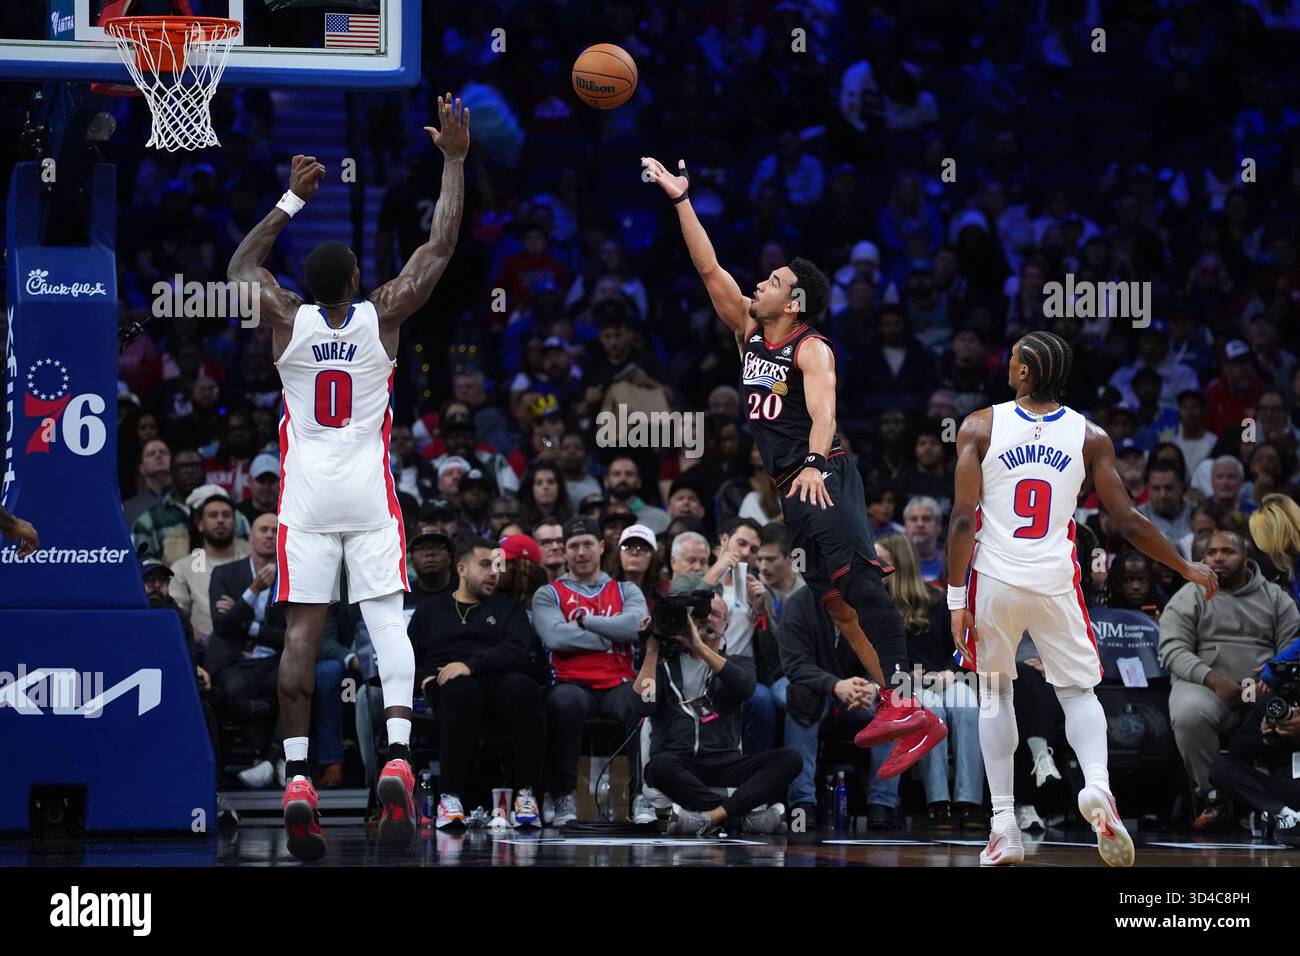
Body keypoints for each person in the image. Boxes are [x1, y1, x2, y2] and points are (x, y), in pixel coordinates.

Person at [644, 153, 945, 780]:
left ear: (796, 299)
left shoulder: (811, 347)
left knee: (862, 582)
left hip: (825, 473)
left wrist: (813, 461)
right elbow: (707, 267)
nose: (759, 284)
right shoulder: (749, 334)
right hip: (794, 486)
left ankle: (908, 701)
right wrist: (680, 199)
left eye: (772, 280)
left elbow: (825, 410)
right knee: (835, 602)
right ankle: (902, 706)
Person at [225, 93, 468, 861]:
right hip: (367, 492)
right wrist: (454, 161)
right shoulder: (384, 314)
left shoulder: (286, 321)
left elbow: (239, 266)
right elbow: (440, 246)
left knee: (303, 634)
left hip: (303, 498)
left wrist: (293, 197)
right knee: (386, 622)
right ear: (359, 278)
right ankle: (396, 754)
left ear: (309, 283)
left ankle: (297, 780)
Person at [945, 330, 1218, 867]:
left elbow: (960, 519)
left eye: (1015, 357)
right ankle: (1097, 787)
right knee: (1077, 693)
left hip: (995, 579)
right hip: (1054, 581)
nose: (1009, 363)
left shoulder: (979, 425)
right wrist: (1184, 565)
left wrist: (957, 598)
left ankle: (1003, 826)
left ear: (1025, 372)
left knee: (996, 694)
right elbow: (1128, 521)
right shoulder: (1090, 435)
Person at [1157, 530, 1300, 828]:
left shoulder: (1276, 598)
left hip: (1259, 685)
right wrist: (1212, 679)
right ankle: (1214, 797)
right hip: (1207, 685)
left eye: (1227, 551)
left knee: (1284, 712)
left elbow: (1292, 647)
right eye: (1211, 552)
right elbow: (1171, 647)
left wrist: (1271, 681)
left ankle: (1270, 800)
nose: (1218, 557)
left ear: (1246, 558)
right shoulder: (1191, 593)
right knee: (1188, 714)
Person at [634, 587, 801, 835]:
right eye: (701, 614)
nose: (708, 619)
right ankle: (740, 819)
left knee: (790, 759)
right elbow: (643, 705)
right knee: (658, 766)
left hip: (726, 763)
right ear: (686, 619)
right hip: (679, 763)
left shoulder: (738, 662)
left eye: (715, 614)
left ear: (725, 624)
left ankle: (710, 817)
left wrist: (700, 648)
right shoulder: (661, 664)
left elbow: (746, 688)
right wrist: (651, 649)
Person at [408, 538, 544, 828]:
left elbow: (518, 649)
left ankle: (526, 796)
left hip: (495, 681)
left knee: (525, 688)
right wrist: (423, 680)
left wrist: (469, 666)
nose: (494, 573)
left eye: (498, 566)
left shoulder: (508, 608)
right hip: (447, 685)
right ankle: (450, 798)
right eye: (485, 565)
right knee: (461, 691)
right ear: (461, 568)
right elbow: (406, 655)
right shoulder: (429, 611)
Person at [532, 516, 650, 826]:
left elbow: (634, 627)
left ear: (601, 546)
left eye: (587, 544)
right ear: (565, 552)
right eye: (573, 546)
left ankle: (643, 796)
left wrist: (585, 623)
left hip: (618, 683)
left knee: (642, 700)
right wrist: (609, 637)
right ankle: (562, 796)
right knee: (563, 704)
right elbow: (554, 636)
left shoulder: (626, 590)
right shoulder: (549, 593)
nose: (581, 552)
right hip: (571, 683)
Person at [875, 532, 985, 830]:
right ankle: (938, 803)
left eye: (881, 560)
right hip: (901, 682)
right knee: (931, 711)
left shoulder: (936, 598)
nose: (874, 566)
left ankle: (970, 802)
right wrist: (905, 676)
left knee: (966, 704)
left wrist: (951, 671)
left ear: (902, 563)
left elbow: (959, 642)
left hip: (943, 677)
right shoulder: (875, 605)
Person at [169, 485, 252, 645]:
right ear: (200, 524)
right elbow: (176, 617)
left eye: (226, 515)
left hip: (252, 645)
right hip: (204, 648)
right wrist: (205, 642)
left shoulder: (251, 558)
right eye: (213, 515)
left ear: (234, 522)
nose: (220, 520)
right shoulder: (184, 567)